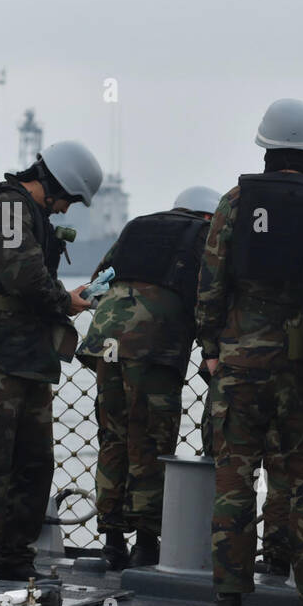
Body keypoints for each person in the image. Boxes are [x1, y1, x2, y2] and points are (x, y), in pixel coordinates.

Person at [195, 99, 303, 606]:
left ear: (265, 146)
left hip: (241, 359)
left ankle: (229, 596)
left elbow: (211, 280)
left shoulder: (236, 201)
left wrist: (211, 345)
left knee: (234, 474)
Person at [0, 141, 100, 580]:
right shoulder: (4, 210)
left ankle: (14, 557)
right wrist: (64, 302)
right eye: (69, 200)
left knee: (34, 465)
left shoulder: (29, 214)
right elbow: (24, 276)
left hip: (28, 360)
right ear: (53, 185)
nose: (67, 211)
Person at [77, 186, 221, 571]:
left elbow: (97, 284)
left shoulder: (137, 226)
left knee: (113, 436)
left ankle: (110, 541)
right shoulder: (206, 236)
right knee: (150, 440)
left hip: (104, 339)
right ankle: (145, 542)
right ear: (210, 216)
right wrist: (212, 352)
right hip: (153, 345)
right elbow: (210, 298)